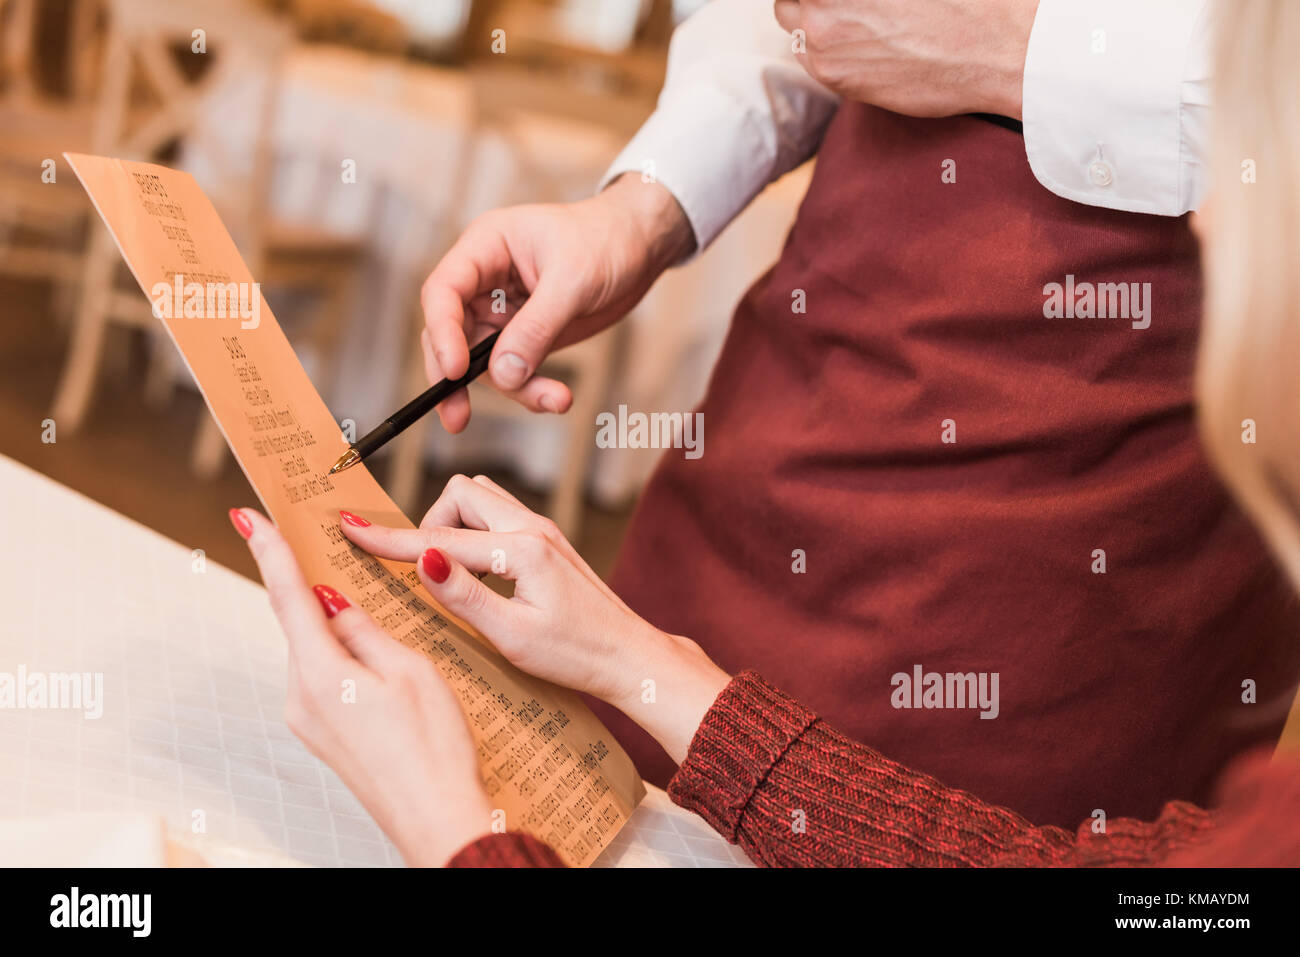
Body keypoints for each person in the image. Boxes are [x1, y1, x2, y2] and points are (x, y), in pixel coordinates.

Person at [228, 0, 1300, 866]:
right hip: (800, 390)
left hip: (1070, 539)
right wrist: (643, 208)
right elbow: (786, 23)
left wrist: (1021, 47)